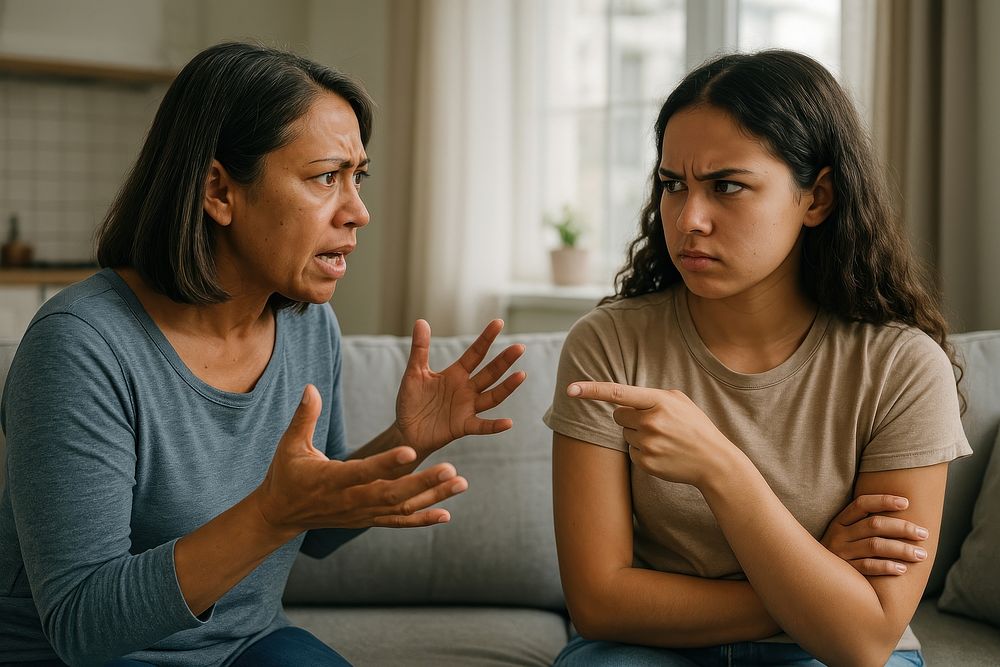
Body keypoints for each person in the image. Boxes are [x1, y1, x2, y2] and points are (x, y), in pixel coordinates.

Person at [0, 42, 526, 666]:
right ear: (219, 191)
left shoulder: (309, 326)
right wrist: (269, 517)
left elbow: (317, 528)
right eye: (325, 176)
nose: (358, 211)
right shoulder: (81, 345)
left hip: (247, 647)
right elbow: (82, 626)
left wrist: (407, 438)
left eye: (358, 176)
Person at [544, 50, 971, 667]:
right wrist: (816, 575)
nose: (689, 219)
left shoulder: (901, 367)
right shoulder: (610, 344)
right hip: (647, 648)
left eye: (727, 186)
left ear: (816, 198)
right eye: (673, 185)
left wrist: (721, 468)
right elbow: (601, 602)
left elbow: (862, 640)